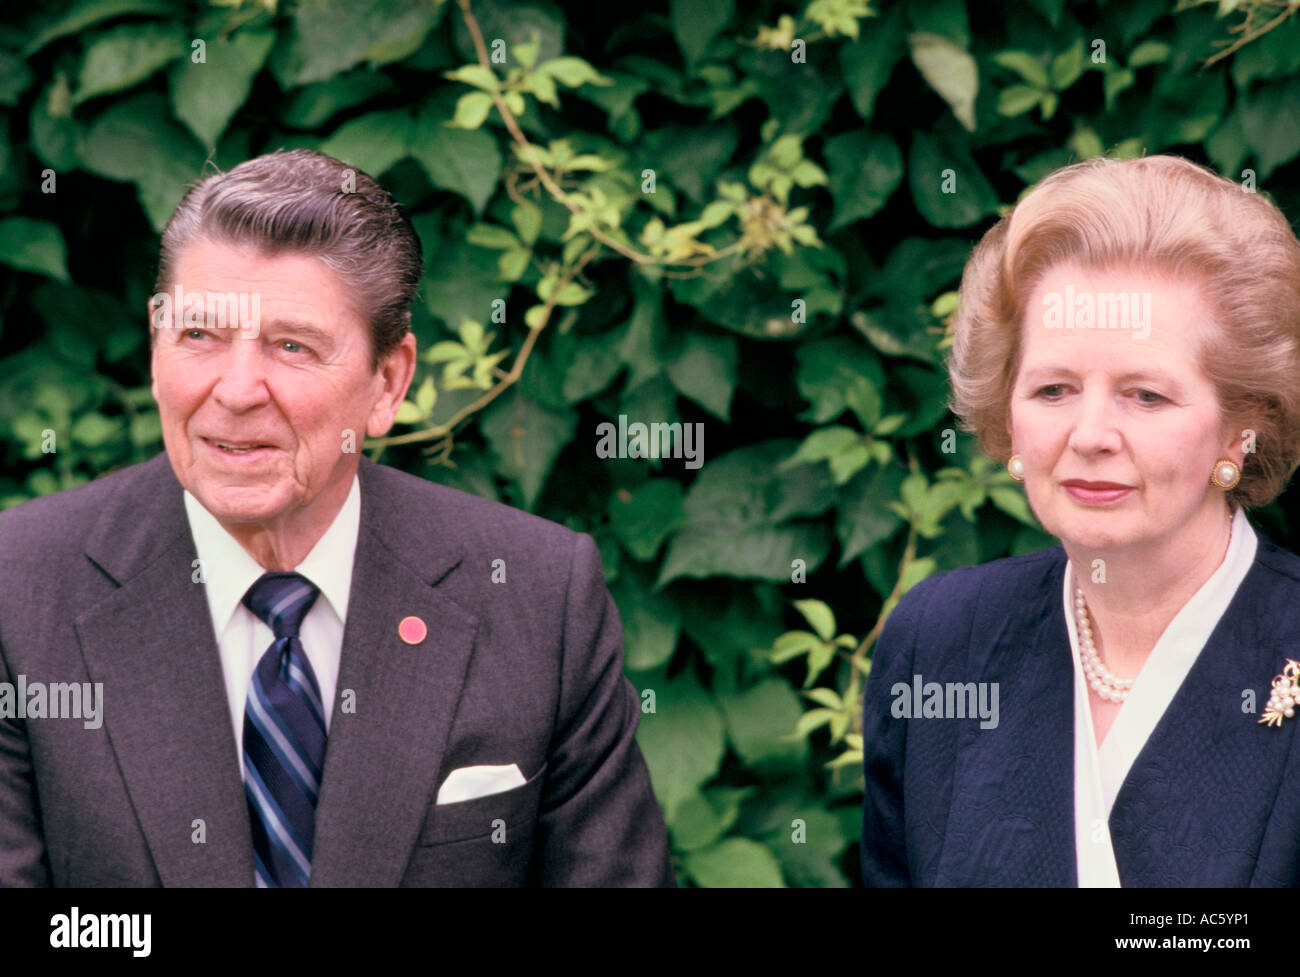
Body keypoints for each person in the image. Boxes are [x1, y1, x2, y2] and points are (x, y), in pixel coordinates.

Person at [0, 149, 674, 888]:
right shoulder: (18, 593)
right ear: (158, 348)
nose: (236, 389)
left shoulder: (540, 598)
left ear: (387, 382)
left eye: (292, 345)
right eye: (201, 335)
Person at [860, 154, 1300, 887]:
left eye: (1145, 395)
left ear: (1239, 428)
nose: (1090, 433)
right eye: (1054, 388)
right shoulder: (939, 641)